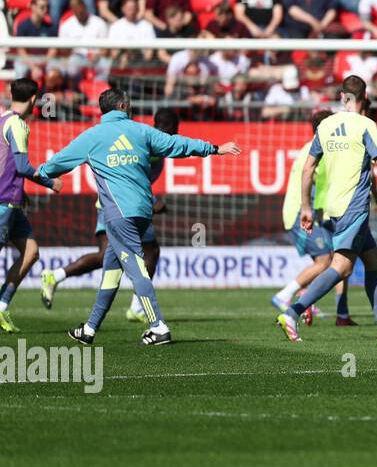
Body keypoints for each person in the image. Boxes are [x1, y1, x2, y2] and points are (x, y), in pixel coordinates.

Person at [40, 89, 240, 345]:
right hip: (143, 211)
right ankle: (89, 329)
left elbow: (55, 163)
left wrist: (38, 175)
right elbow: (177, 144)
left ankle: (158, 326)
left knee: (136, 270)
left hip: (118, 215)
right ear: (123, 105)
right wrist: (214, 149)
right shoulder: (142, 131)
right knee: (111, 270)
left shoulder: (91, 137)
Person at [276, 76, 377, 344]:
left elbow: (308, 169)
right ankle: (293, 313)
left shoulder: (326, 125)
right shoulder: (366, 124)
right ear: (364, 95)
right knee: (340, 267)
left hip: (333, 207)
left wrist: (306, 207)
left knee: (374, 261)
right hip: (354, 206)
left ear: (342, 96)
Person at [40, 108, 181, 321]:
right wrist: (153, 203)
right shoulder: (150, 146)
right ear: (171, 128)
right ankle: (58, 278)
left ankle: (134, 308)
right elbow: (130, 177)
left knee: (148, 251)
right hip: (116, 205)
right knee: (109, 256)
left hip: (125, 205)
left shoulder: (152, 142)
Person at [272, 109, 354, 327]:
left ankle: (336, 311)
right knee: (326, 260)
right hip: (301, 213)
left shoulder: (313, 148)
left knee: (339, 259)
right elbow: (326, 182)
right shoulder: (316, 151)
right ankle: (285, 295)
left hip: (314, 212)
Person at [0, 79, 63, 333]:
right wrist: (51, 182)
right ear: (35, 100)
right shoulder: (17, 124)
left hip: (12, 200)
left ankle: (2, 307)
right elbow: (24, 166)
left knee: (31, 252)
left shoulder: (3, 118)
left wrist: (19, 189)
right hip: (4, 202)